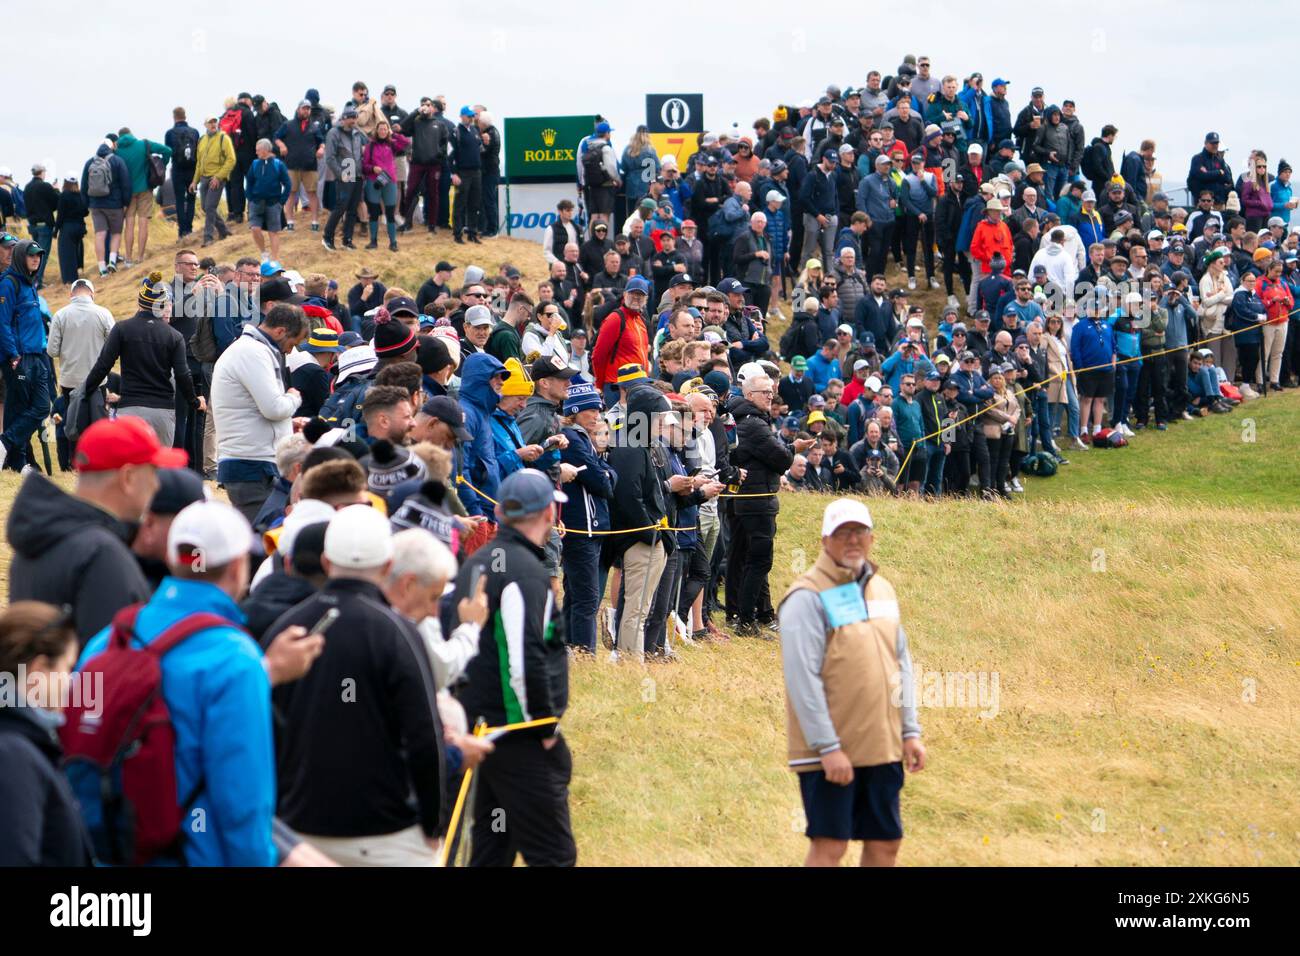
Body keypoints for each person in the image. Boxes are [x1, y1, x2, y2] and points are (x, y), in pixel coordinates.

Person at [76, 499, 321, 866]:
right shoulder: (235, 658)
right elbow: (242, 804)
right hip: (193, 854)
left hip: (106, 854)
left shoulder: (109, 639)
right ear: (239, 566)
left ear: (174, 560)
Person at [265, 504, 445, 866]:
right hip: (384, 832)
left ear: (327, 563)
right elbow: (425, 737)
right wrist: (434, 823)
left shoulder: (287, 629)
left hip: (299, 832)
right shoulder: (397, 633)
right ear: (389, 566)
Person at [778, 498, 925, 868]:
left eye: (859, 532)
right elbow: (802, 679)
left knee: (886, 842)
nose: (853, 540)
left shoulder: (883, 590)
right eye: (842, 533)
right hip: (831, 751)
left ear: (872, 538)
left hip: (882, 744)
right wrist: (827, 747)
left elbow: (901, 662)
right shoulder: (805, 597)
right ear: (825, 540)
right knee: (831, 845)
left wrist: (910, 731)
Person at [453, 469, 575, 866]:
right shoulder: (525, 572)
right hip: (516, 731)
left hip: (482, 724)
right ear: (547, 514)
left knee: (492, 846)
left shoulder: (479, 559)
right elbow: (522, 656)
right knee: (553, 854)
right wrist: (542, 727)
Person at [8, 416, 185, 644]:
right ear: (128, 478)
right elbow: (113, 663)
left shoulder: (39, 537)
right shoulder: (101, 553)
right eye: (153, 472)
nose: (157, 484)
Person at [0, 601, 94, 866]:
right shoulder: (14, 756)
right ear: (40, 672)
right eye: (68, 668)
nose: (73, 682)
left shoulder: (22, 741)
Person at [731, 373, 810, 638]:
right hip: (756, 500)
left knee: (752, 559)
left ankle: (757, 615)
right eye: (764, 392)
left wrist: (786, 448)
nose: (770, 395)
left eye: (771, 391)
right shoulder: (753, 424)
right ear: (749, 395)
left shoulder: (749, 420)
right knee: (759, 561)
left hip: (755, 498)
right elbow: (779, 458)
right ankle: (745, 620)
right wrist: (793, 448)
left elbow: (774, 452)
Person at [211, 303, 306, 522]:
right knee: (263, 539)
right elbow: (273, 408)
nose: (290, 351)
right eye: (293, 343)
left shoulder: (253, 350)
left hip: (254, 462)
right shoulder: (252, 352)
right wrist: (294, 397)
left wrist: (286, 426)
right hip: (251, 466)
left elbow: (256, 408)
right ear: (280, 331)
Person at [81, 271, 199, 445]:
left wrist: (86, 392)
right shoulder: (174, 336)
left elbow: (103, 365)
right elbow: (182, 374)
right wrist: (194, 401)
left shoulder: (122, 329)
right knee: (160, 467)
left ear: (139, 303)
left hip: (130, 408)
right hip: (162, 410)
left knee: (129, 465)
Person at [0, 239, 53, 470]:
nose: (35, 259)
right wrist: (13, 355)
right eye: (31, 255)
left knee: (42, 406)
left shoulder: (30, 283)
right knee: (18, 407)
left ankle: (5, 443)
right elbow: (2, 323)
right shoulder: (9, 284)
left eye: (38, 255)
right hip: (19, 356)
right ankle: (18, 462)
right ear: (22, 257)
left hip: (37, 355)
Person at [47, 278, 113, 404]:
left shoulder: (60, 315)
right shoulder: (104, 314)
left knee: (73, 420)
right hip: (97, 379)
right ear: (92, 294)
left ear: (71, 295)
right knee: (97, 420)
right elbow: (113, 346)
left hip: (70, 380)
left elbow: (52, 351)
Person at [113, 128, 171, 266]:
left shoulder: (116, 151)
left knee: (129, 225)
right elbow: (168, 150)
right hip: (145, 188)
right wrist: (162, 164)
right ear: (131, 134)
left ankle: (128, 259)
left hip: (127, 192)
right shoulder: (143, 144)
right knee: (143, 222)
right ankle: (140, 257)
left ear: (119, 137)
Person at [362, 120, 410, 252]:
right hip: (374, 181)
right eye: (380, 129)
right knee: (374, 213)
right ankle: (373, 241)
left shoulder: (392, 144)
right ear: (376, 131)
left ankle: (393, 242)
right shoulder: (370, 146)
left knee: (390, 212)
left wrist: (394, 133)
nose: (382, 131)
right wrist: (373, 168)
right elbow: (364, 166)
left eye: (385, 129)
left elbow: (406, 143)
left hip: (390, 181)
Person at [194, 115, 236, 247]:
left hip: (217, 178)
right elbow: (199, 164)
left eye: (214, 122)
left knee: (210, 207)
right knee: (205, 207)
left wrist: (218, 177)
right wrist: (194, 181)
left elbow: (231, 159)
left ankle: (208, 238)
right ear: (205, 125)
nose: (213, 124)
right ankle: (224, 231)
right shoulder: (202, 140)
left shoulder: (224, 138)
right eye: (210, 122)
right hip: (204, 178)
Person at [450, 106, 484, 244]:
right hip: (462, 173)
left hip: (476, 172)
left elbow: (479, 148)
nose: (471, 118)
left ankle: (472, 232)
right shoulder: (455, 132)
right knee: (460, 204)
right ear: (462, 116)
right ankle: (457, 234)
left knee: (474, 204)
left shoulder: (475, 130)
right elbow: (449, 155)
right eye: (468, 116)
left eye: (472, 116)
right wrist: (453, 174)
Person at [22, 165, 58, 288]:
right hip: (44, 225)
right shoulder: (45, 186)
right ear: (41, 173)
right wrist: (56, 190)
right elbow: (55, 204)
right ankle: (37, 282)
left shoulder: (27, 187)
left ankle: (33, 279)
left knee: (33, 254)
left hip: (32, 225)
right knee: (41, 254)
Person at [53, 175, 88, 285]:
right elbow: (86, 212)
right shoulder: (80, 195)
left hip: (68, 228)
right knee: (76, 252)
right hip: (80, 228)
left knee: (67, 254)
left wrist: (55, 231)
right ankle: (77, 275)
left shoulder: (64, 195)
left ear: (65, 182)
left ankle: (70, 280)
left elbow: (60, 215)